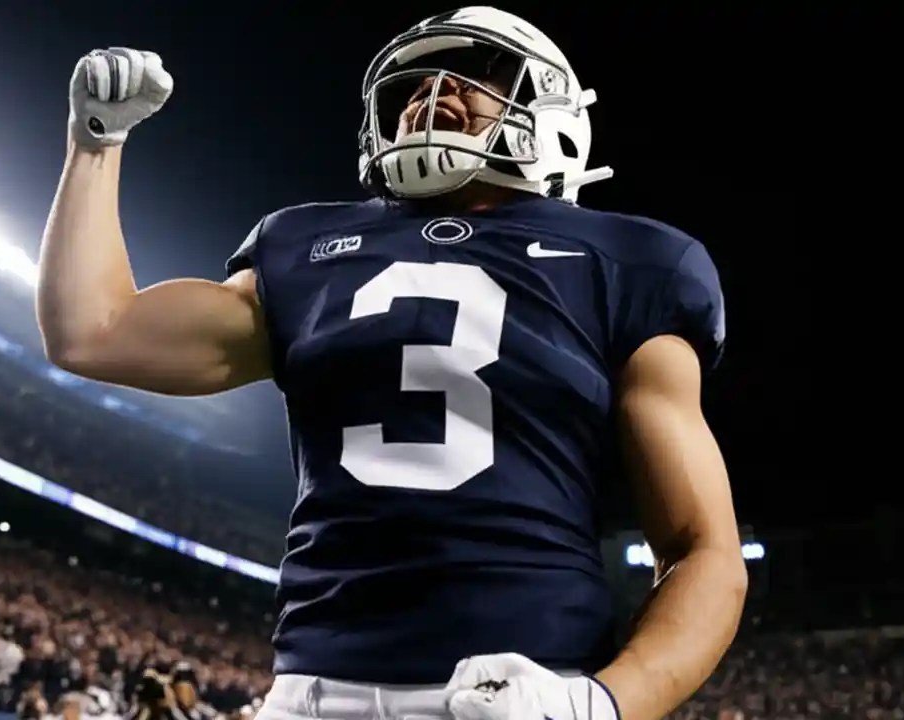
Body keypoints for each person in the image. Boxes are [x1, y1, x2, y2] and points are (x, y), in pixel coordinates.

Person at [38, 7, 748, 720]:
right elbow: (93, 333)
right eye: (412, 85)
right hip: (309, 694)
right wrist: (96, 143)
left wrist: (604, 704)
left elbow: (702, 549)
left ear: (553, 110)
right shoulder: (305, 244)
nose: (431, 92)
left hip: (528, 689)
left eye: (477, 76)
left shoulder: (629, 260)